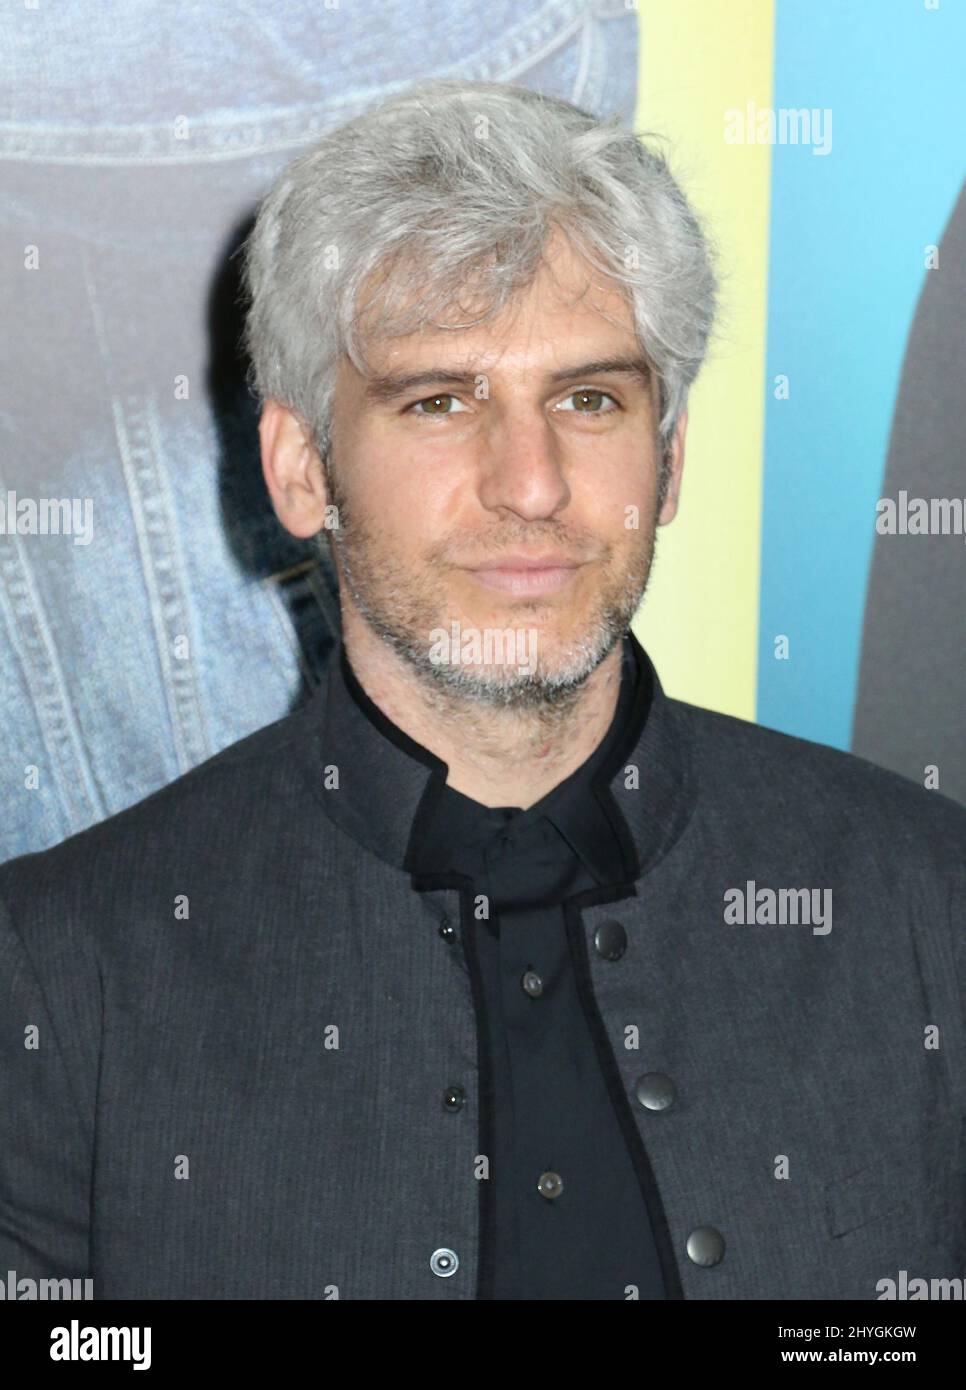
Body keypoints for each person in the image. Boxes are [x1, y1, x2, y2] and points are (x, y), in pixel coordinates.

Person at [1, 79, 963, 1302]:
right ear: (303, 470)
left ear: (668, 463)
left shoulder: (933, 910)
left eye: (589, 399)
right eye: (442, 400)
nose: (532, 482)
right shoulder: (56, 975)